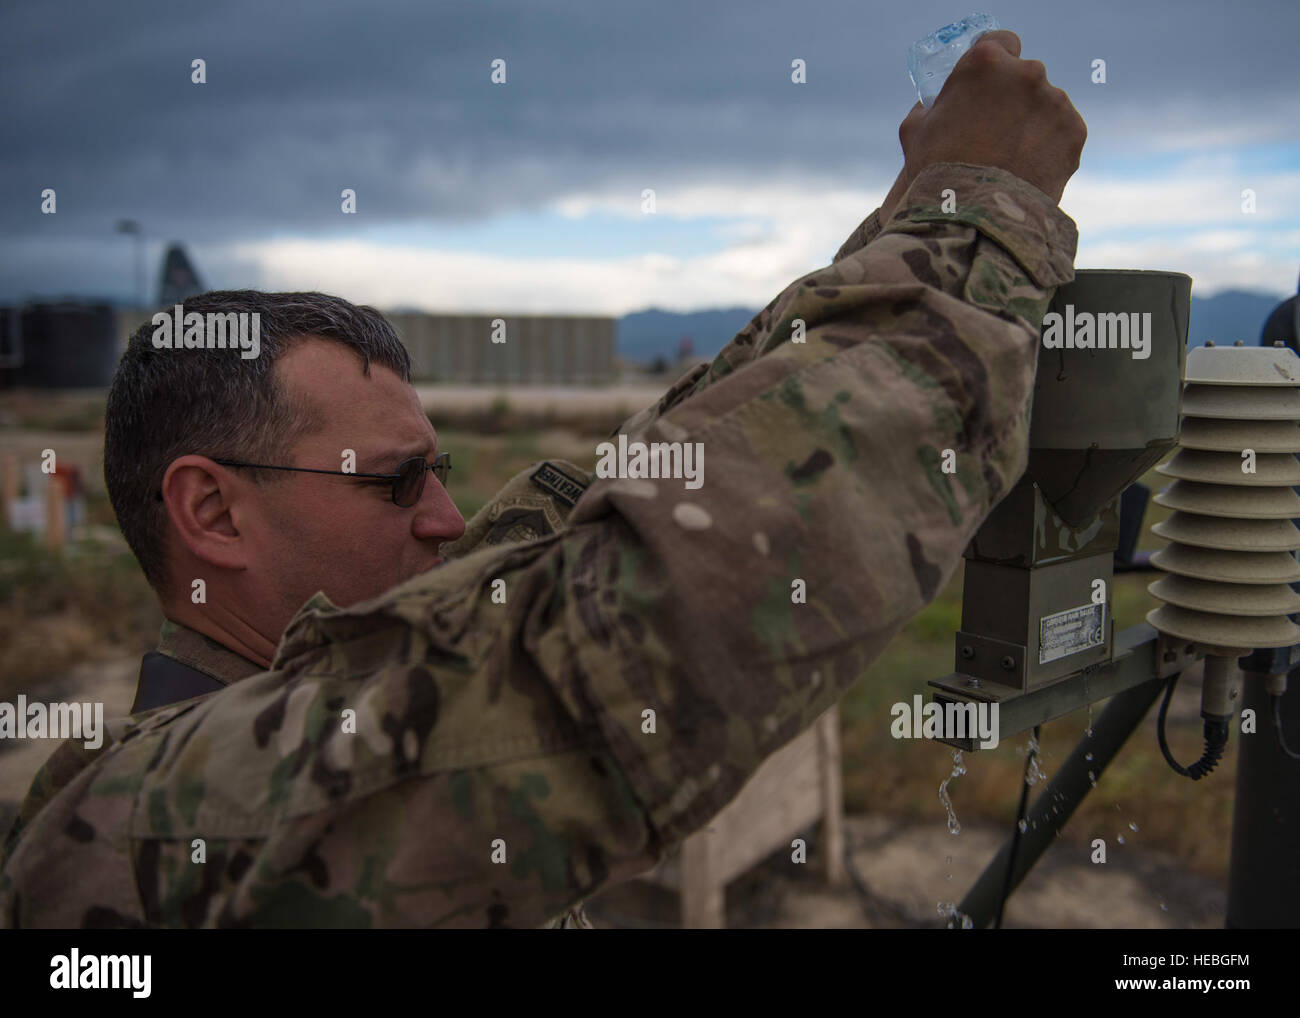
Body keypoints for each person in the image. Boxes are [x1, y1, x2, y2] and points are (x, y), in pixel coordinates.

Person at [0, 30, 1085, 928]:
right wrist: (978, 214)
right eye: (393, 484)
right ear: (211, 510)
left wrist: (899, 237)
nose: (445, 520)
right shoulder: (135, 828)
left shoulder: (328, 685)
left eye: (437, 472)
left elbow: (632, 488)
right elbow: (619, 637)